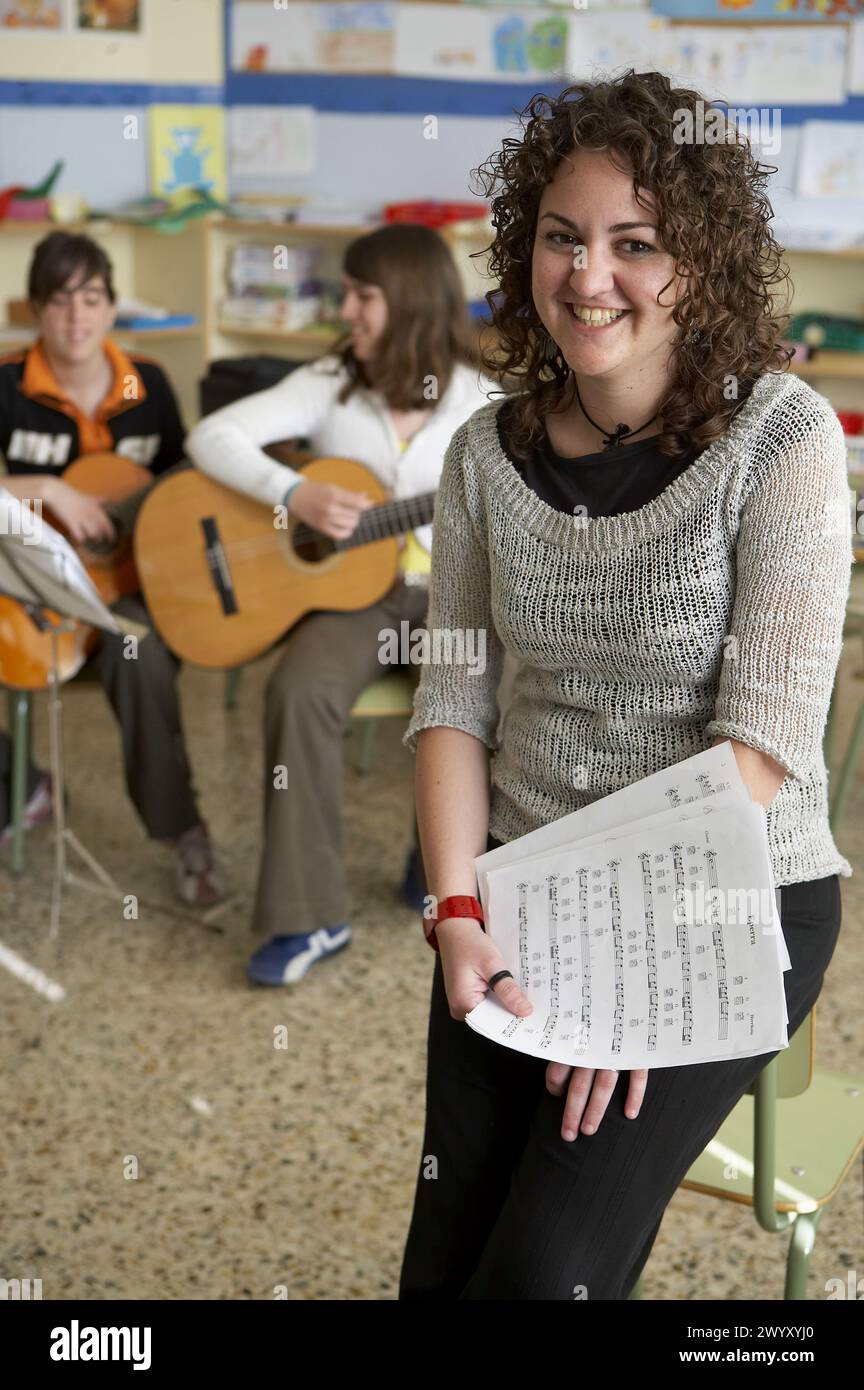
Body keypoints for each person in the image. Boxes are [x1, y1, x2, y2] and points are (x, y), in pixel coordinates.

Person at [398, 70, 854, 1300]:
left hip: (727, 895)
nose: (588, 276)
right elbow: (451, 704)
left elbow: (757, 751)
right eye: (562, 237)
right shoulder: (482, 456)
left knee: (546, 1272)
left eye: (634, 243)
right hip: (515, 888)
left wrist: (616, 985)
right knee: (444, 1265)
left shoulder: (786, 436)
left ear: (698, 263)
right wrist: (456, 915)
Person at [184, 223, 498, 985]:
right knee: (297, 691)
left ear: (412, 300)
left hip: (453, 600)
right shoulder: (330, 381)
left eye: (363, 295)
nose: (346, 311)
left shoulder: (483, 399)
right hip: (357, 597)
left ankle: (440, 870)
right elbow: (212, 436)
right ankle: (309, 915)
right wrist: (295, 492)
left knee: (503, 688)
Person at [0, 231, 225, 906]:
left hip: (129, 588)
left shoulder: (147, 381)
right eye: (60, 300)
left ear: (111, 308)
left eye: (91, 299)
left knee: (140, 655)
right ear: (35, 310)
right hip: (24, 584)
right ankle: (20, 784)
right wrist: (51, 489)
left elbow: (185, 488)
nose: (76, 316)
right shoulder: (8, 383)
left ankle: (180, 832)